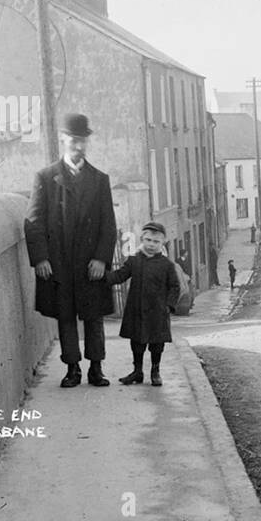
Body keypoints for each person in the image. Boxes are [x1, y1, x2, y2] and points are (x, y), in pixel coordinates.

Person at [25, 113, 118, 388]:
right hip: (60, 262)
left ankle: (96, 368)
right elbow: (33, 220)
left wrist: (101, 258)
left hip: (90, 262)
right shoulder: (45, 177)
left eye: (83, 141)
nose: (79, 146)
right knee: (65, 316)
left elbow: (108, 225)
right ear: (63, 139)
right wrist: (40, 257)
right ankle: (72, 368)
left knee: (94, 316)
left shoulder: (100, 179)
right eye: (74, 140)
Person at [107, 221, 181, 387]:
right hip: (137, 309)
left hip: (157, 311)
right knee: (137, 342)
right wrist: (104, 278)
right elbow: (120, 275)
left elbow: (175, 287)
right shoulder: (134, 261)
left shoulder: (166, 265)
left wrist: (168, 306)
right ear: (142, 240)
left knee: (156, 344)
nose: (151, 245)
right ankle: (137, 371)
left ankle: (155, 371)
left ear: (162, 244)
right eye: (148, 240)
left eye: (156, 242)